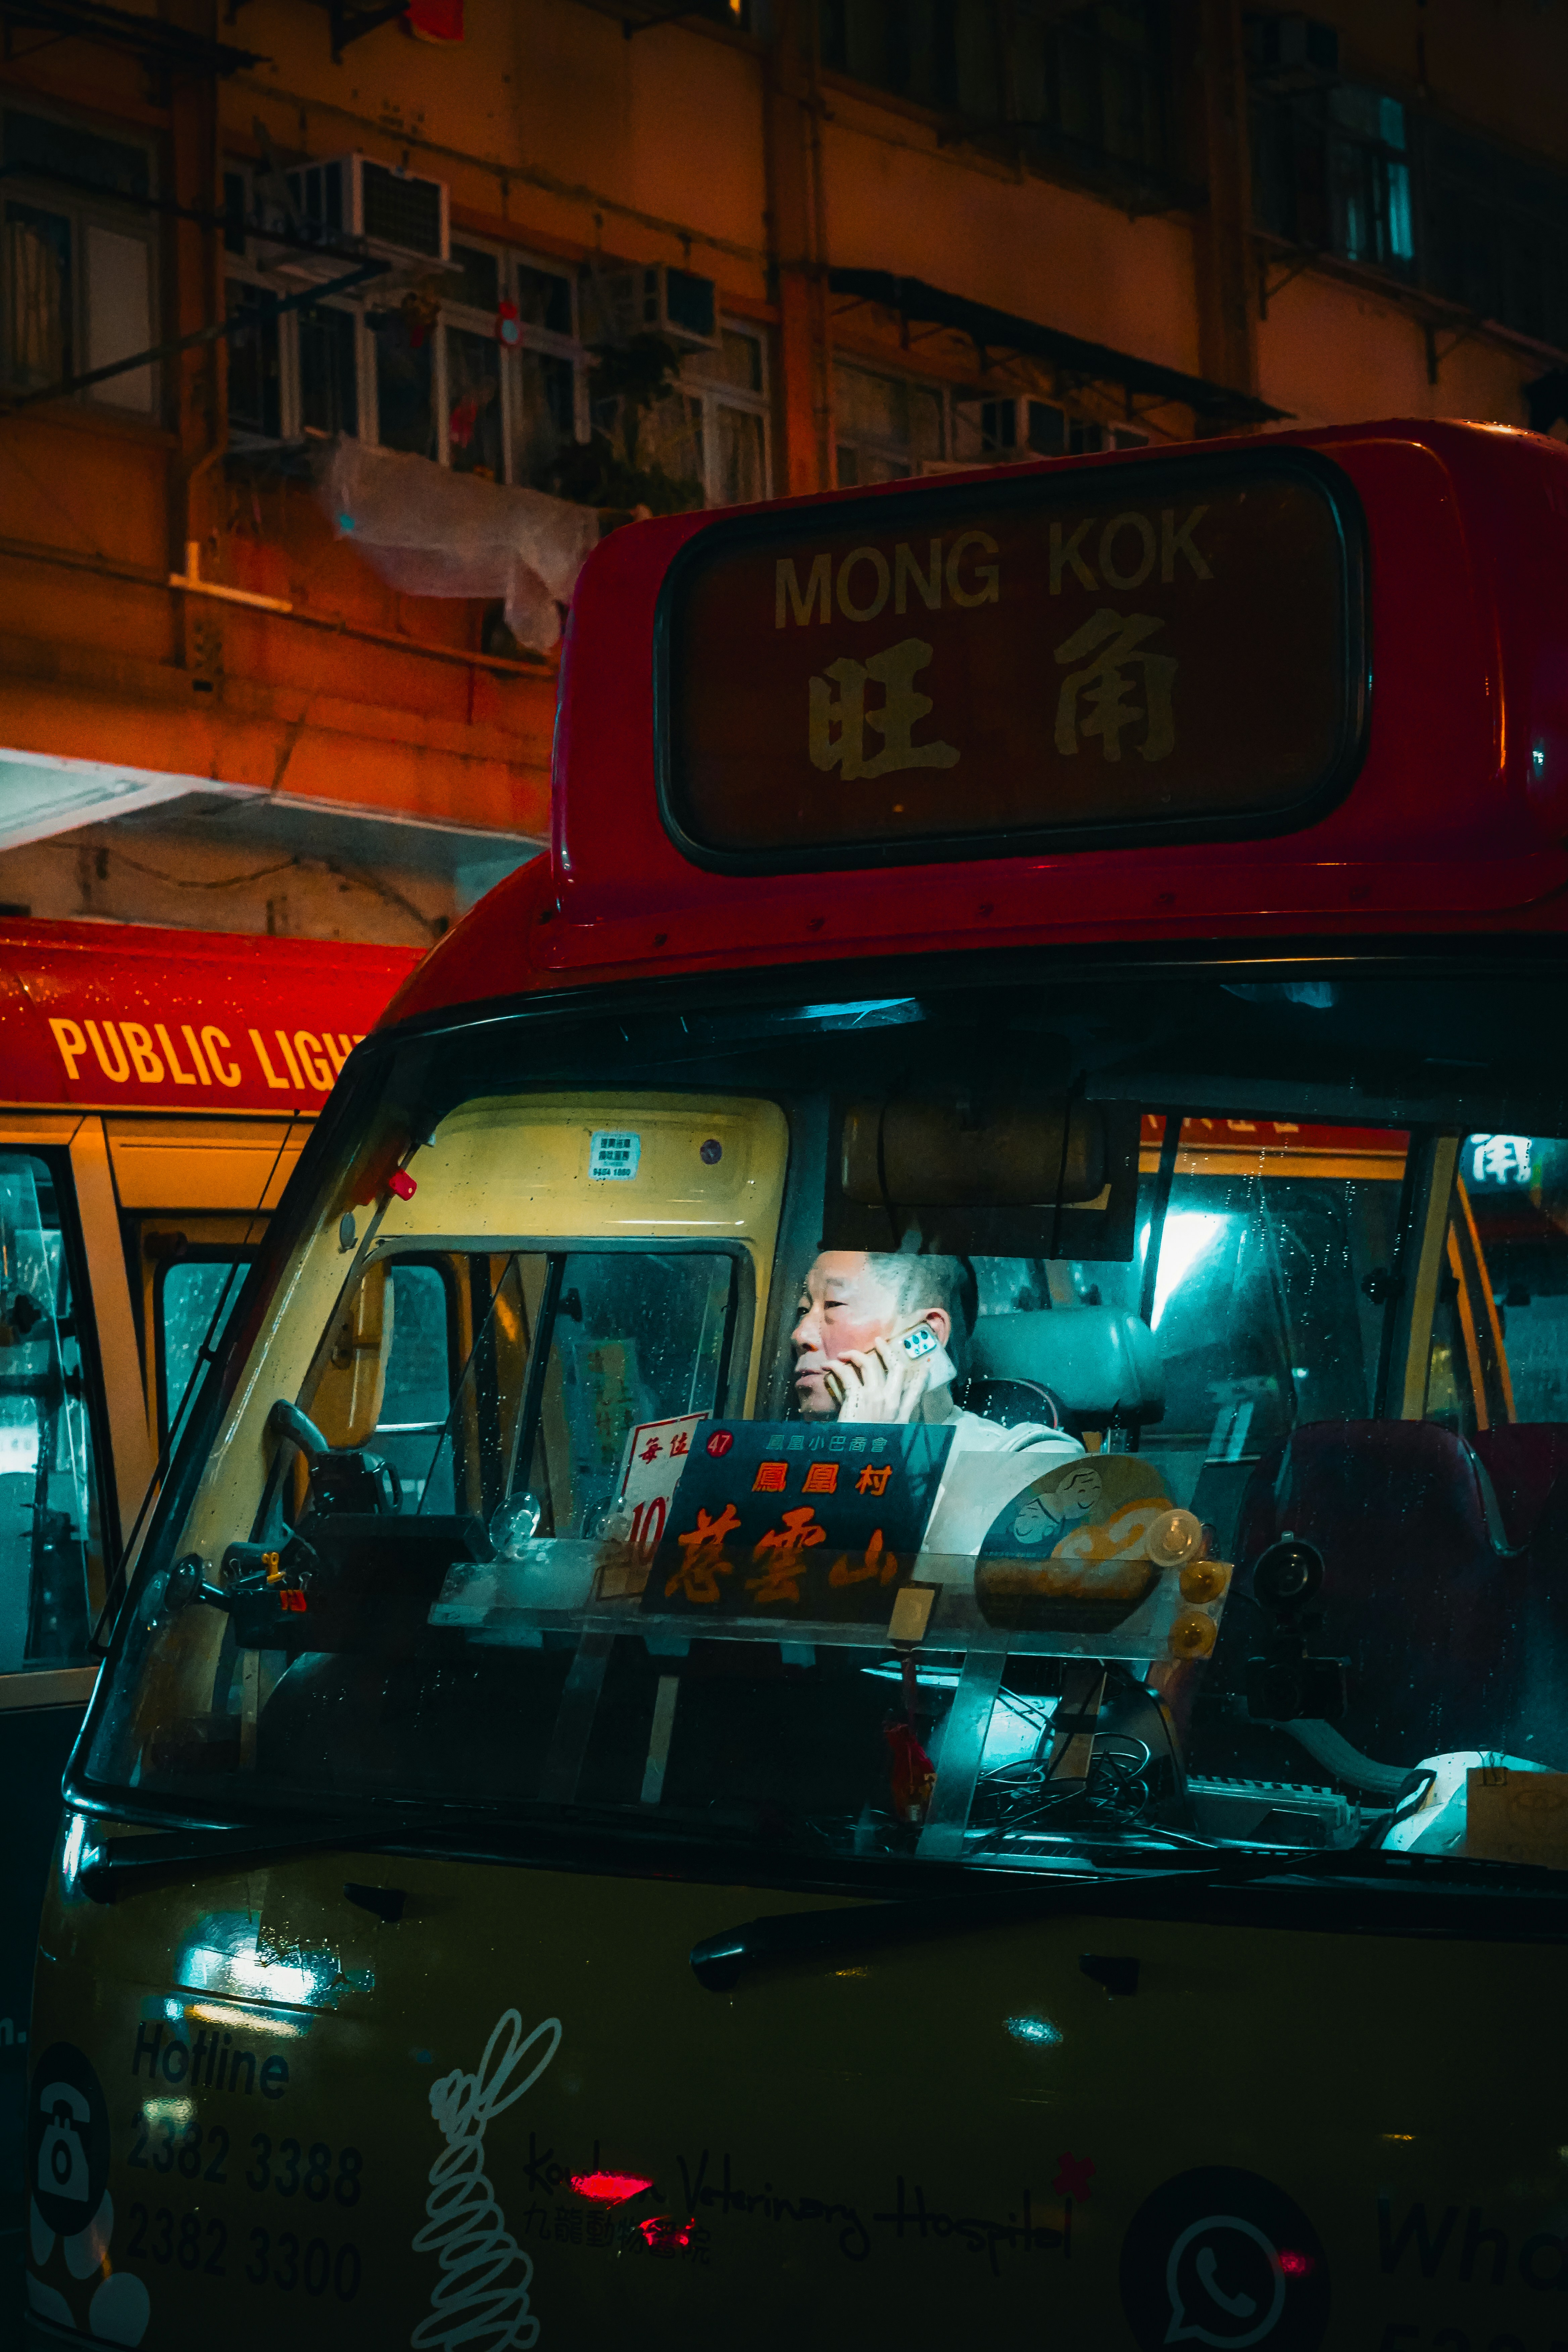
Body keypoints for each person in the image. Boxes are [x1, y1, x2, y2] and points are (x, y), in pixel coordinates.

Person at [790, 1248, 1085, 1465]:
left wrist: (868, 1453)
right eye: (803, 1310)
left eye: (833, 1305)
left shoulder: (1027, 1460)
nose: (800, 1335)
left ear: (928, 1333)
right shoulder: (786, 1453)